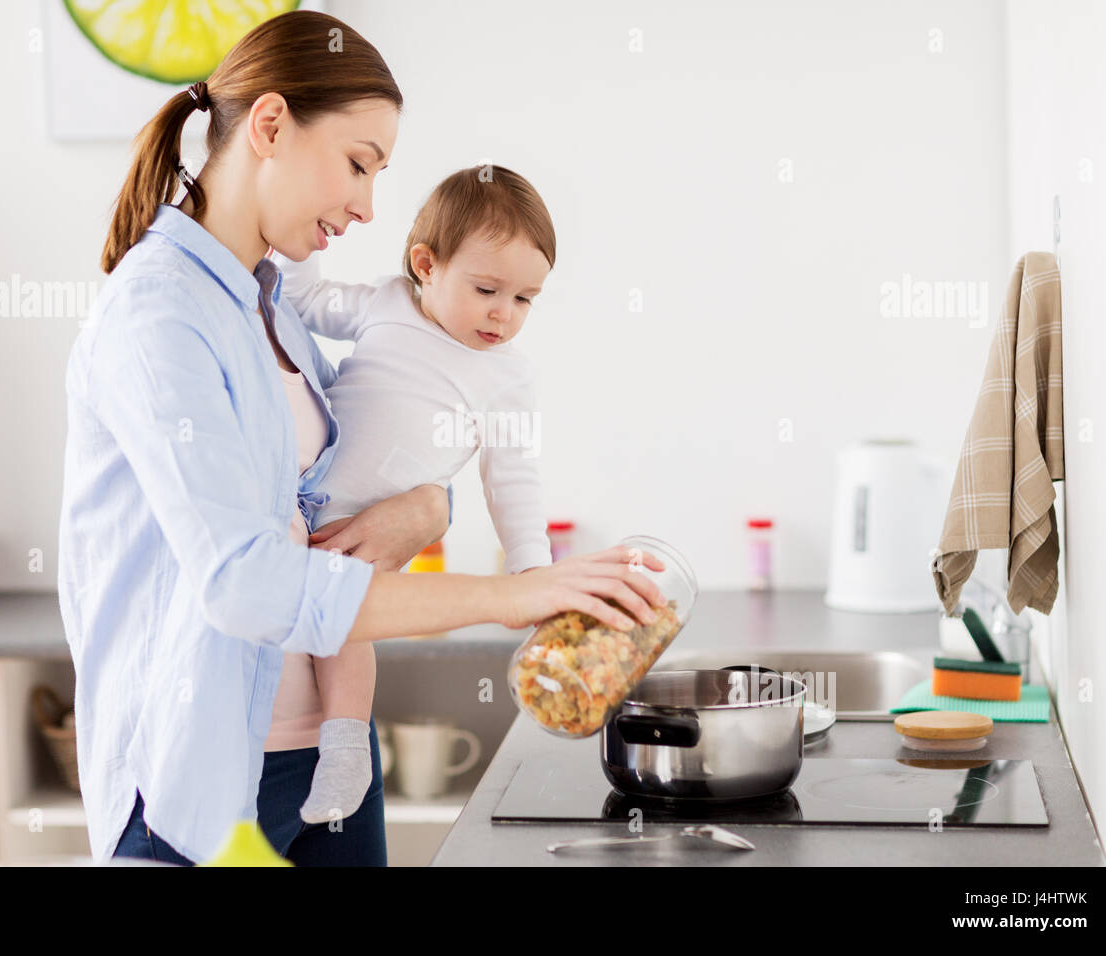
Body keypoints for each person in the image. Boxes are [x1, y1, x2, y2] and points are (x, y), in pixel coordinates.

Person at [57, 9, 666, 868]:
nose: (367, 203)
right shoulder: (158, 314)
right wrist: (507, 596)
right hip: (200, 788)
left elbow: (349, 468)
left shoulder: (268, 306)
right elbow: (244, 582)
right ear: (269, 125)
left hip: (327, 761)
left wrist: (428, 504)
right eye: (357, 164)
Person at [266, 165, 558, 825]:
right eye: (487, 289)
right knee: (322, 617)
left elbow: (514, 477)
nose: (503, 315)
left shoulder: (507, 378)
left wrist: (530, 570)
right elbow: (303, 300)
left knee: (345, 628)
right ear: (426, 265)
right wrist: (301, 229)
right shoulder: (386, 303)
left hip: (354, 524)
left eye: (524, 300)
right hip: (294, 497)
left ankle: (346, 747)